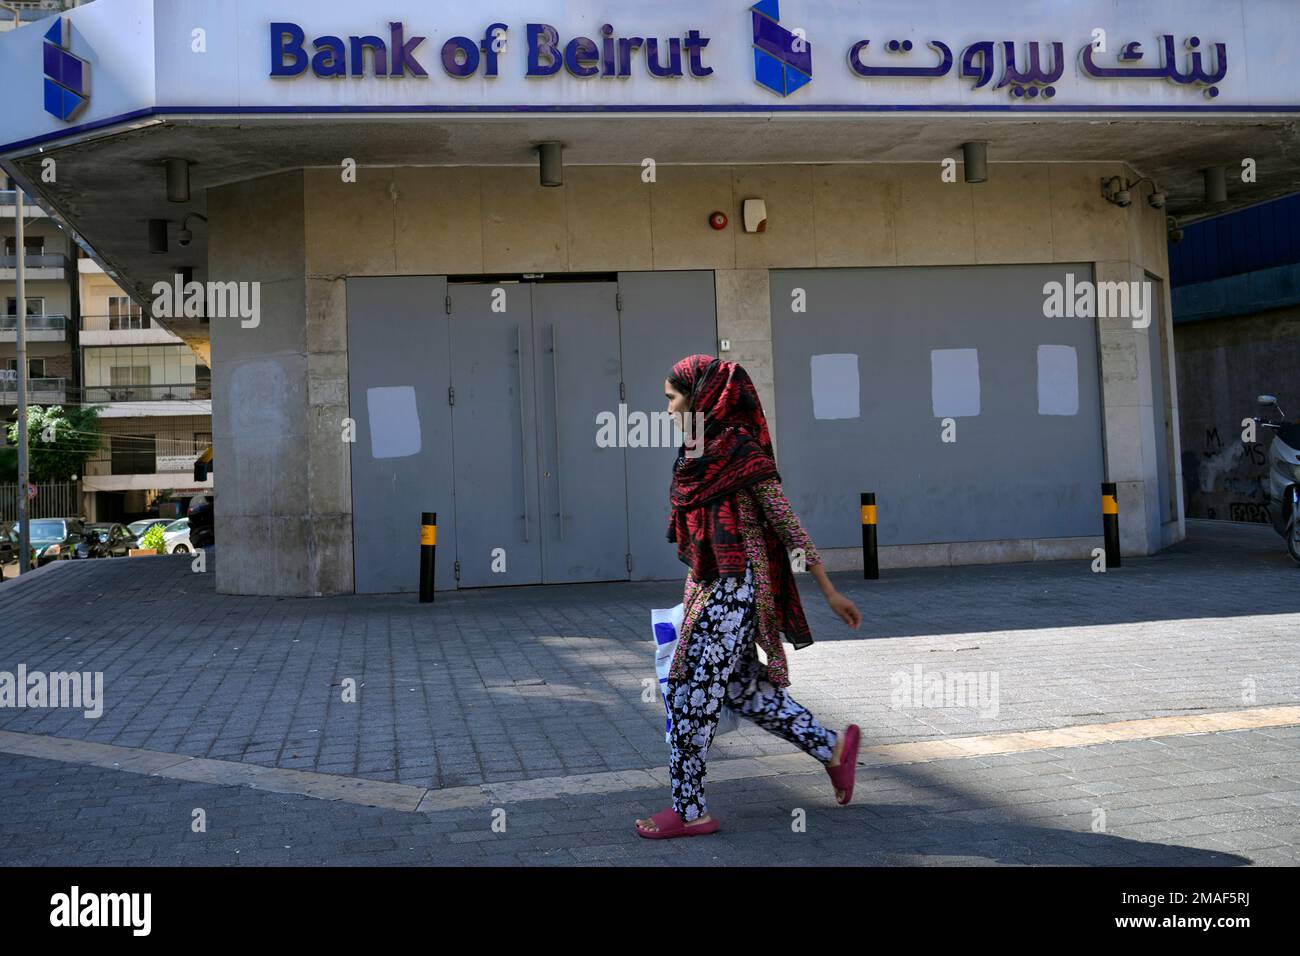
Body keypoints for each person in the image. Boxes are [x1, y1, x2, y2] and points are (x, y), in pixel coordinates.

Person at [635, 354, 863, 839]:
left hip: (734, 591)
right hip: (707, 588)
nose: (669, 409)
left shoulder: (740, 453)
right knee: (743, 690)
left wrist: (829, 590)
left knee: (690, 692)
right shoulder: (696, 452)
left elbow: (787, 525)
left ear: (702, 397)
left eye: (673, 398)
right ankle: (833, 750)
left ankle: (690, 810)